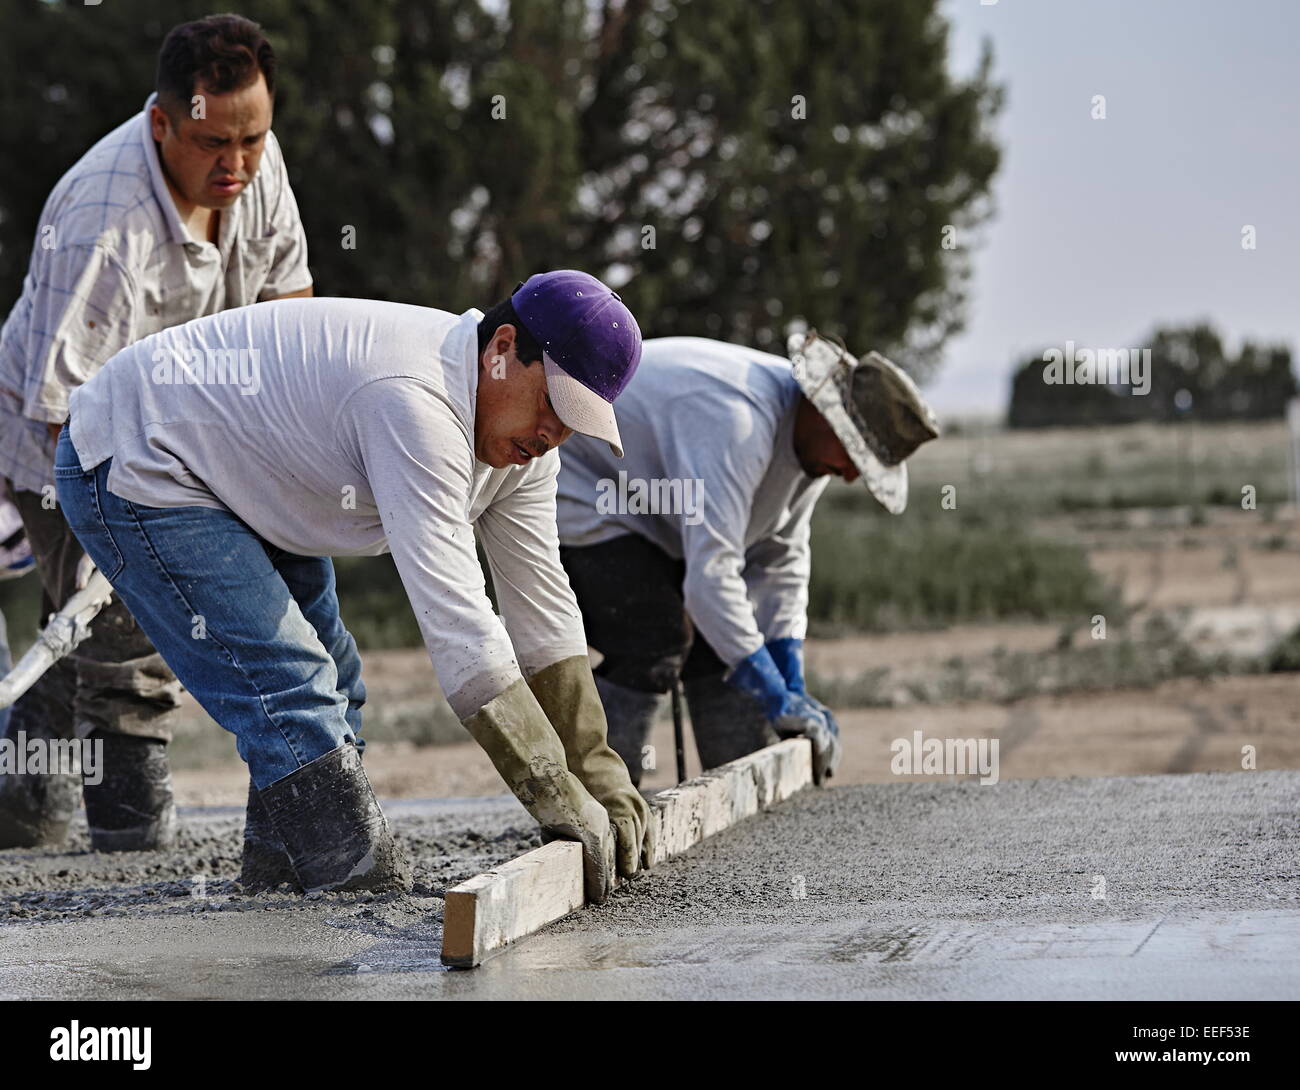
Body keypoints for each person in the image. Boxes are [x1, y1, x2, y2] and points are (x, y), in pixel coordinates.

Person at [54, 271, 650, 903]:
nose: (555, 433)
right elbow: (461, 627)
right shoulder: (415, 402)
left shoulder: (525, 451)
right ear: (502, 348)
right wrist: (551, 786)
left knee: (334, 680)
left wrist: (597, 771)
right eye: (554, 404)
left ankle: (280, 890)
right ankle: (359, 900)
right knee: (294, 686)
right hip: (141, 455)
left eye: (575, 420)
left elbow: (543, 608)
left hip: (249, 476)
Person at [0, 14, 312, 851]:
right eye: (215, 143)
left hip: (184, 428)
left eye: (253, 139)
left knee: (77, 627)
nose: (237, 164)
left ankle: (17, 806)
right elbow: (67, 411)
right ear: (162, 123)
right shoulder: (106, 224)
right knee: (119, 626)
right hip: (57, 440)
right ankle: (130, 845)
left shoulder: (253, 162)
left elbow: (289, 311)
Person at [556, 330, 940, 785]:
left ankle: (742, 797)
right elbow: (711, 579)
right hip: (581, 488)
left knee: (725, 643)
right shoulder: (737, 423)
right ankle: (597, 798)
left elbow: (783, 560)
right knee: (654, 636)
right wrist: (771, 691)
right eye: (855, 455)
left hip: (654, 510)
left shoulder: (813, 450)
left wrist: (788, 673)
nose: (853, 476)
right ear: (823, 412)